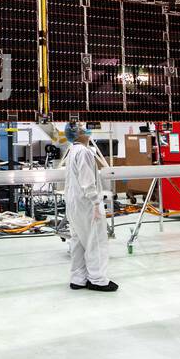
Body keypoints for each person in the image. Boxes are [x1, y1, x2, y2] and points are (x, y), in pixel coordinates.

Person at [63, 122, 116, 292]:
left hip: (73, 203)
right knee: (96, 241)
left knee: (78, 241)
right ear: (77, 133)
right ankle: (98, 279)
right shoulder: (84, 152)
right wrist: (96, 200)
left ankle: (78, 279)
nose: (86, 128)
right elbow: (87, 181)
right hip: (87, 203)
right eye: (81, 126)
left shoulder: (72, 151)